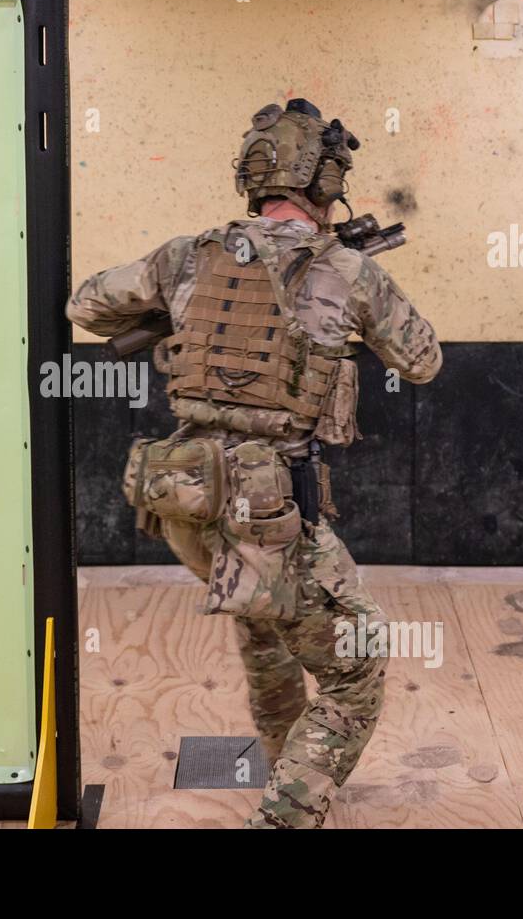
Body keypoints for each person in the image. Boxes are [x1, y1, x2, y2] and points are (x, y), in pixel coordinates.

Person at [67, 98, 441, 828]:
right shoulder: (346, 269)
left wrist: (182, 312)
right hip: (269, 508)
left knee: (264, 633)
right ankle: (286, 816)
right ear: (324, 178)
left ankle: (289, 771)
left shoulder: (187, 254)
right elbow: (423, 361)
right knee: (355, 667)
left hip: (184, 498)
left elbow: (89, 305)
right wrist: (345, 313)